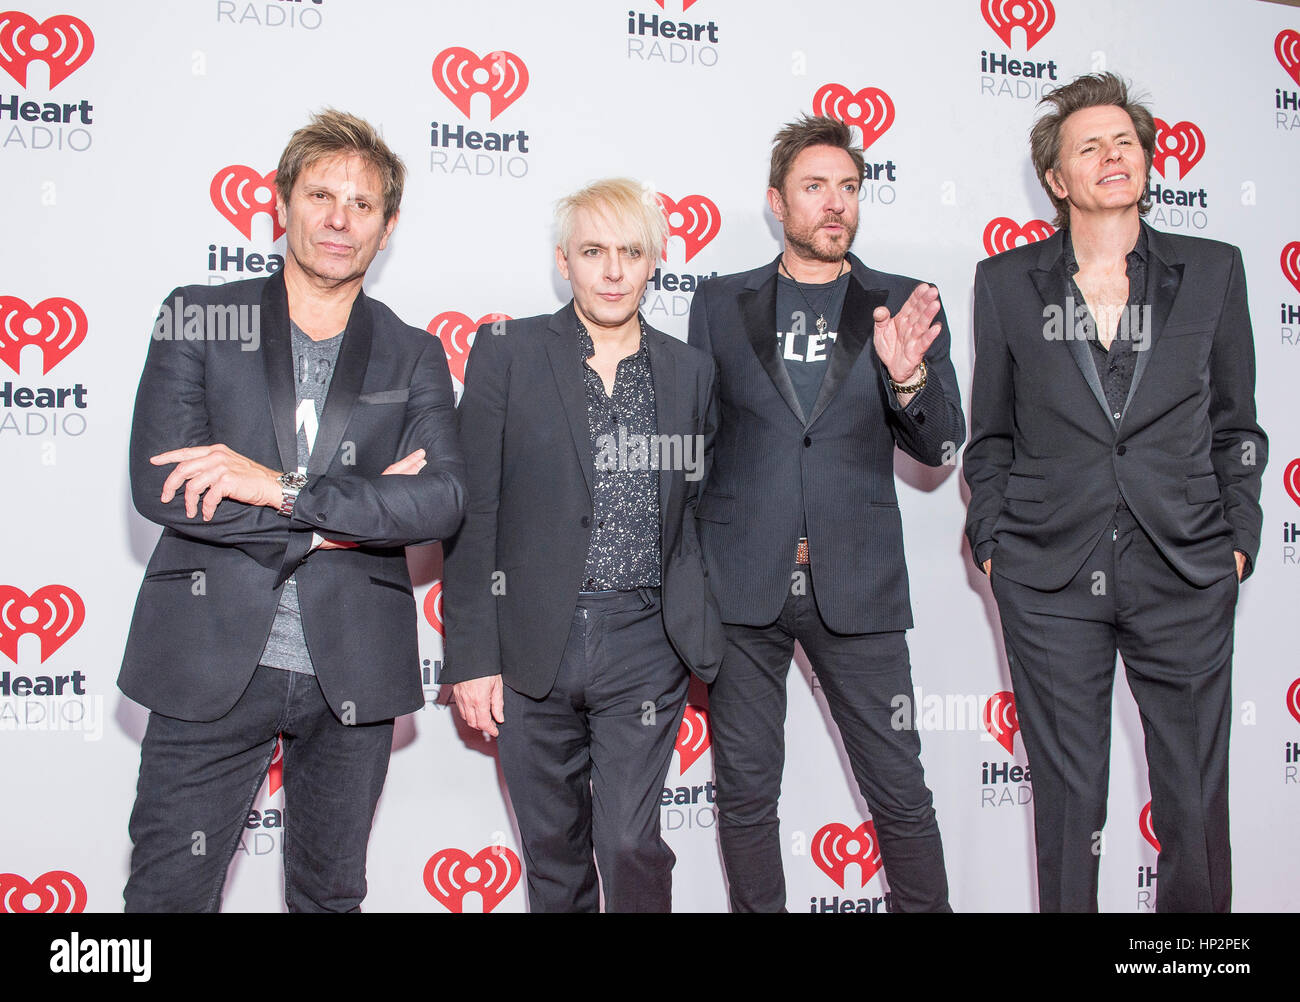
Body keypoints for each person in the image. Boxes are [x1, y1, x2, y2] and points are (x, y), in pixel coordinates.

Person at [119, 109, 466, 912]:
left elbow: (442, 500)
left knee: (330, 896)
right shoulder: (202, 314)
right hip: (208, 661)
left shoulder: (413, 351)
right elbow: (161, 484)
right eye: (321, 195)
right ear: (281, 203)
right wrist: (355, 515)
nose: (340, 218)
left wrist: (277, 491)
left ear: (388, 226)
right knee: (169, 892)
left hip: (355, 668)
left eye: (363, 203)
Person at [964, 72, 1267, 912]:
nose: (1111, 155)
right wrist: (995, 546)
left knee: (1195, 800)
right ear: (1057, 180)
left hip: (1187, 567)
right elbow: (990, 436)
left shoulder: (1213, 271)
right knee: (1068, 804)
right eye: (1088, 145)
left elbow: (1238, 425)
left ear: (1146, 161)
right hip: (1048, 576)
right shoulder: (1006, 283)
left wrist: (1235, 540)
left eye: (1124, 141)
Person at [687, 115, 963, 912]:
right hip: (741, 587)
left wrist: (907, 380)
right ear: (778, 202)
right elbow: (697, 441)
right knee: (744, 798)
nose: (834, 204)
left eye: (848, 188)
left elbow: (942, 446)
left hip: (860, 584)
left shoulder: (900, 303)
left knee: (901, 793)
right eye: (815, 188)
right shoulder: (718, 301)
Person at [441, 178, 722, 912]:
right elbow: (476, 514)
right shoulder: (508, 351)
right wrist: (472, 658)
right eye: (594, 251)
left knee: (629, 844)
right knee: (554, 857)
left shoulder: (691, 372)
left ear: (654, 261)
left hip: (644, 641)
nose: (613, 270)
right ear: (564, 260)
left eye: (631, 252)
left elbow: (701, 506)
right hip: (533, 637)